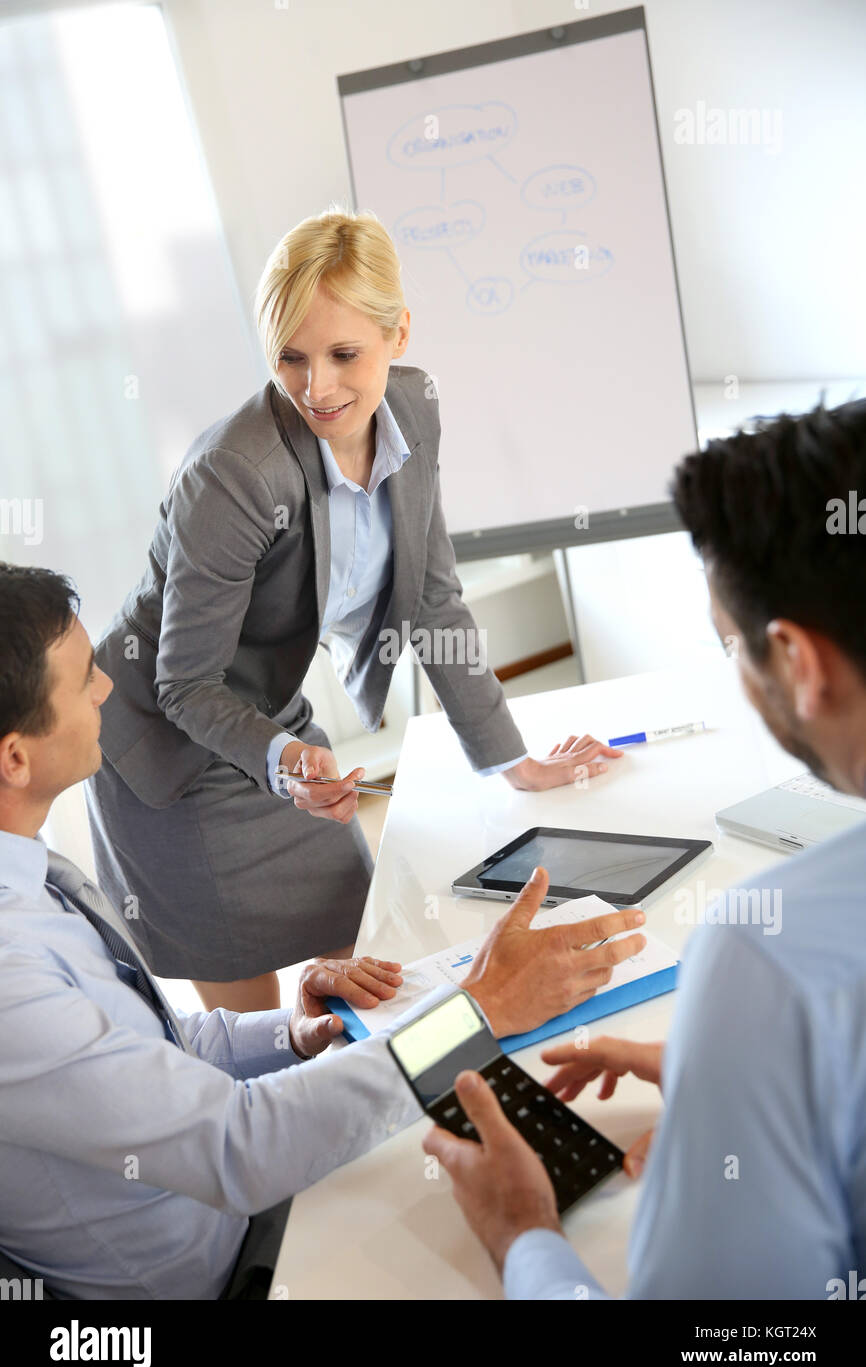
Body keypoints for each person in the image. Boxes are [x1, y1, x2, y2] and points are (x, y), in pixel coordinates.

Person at [0, 562, 646, 1299]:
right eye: (86, 678)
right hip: (245, 1267)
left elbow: (160, 1050)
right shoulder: (10, 975)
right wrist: (479, 1012)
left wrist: (292, 1032)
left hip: (256, 1204)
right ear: (15, 758)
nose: (109, 689)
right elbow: (239, 1145)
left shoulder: (25, 873)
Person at [84, 207, 623, 1014]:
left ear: (398, 334)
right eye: (290, 358)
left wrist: (512, 759)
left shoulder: (415, 411)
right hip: (170, 750)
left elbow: (434, 598)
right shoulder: (235, 473)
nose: (317, 387)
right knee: (259, 1037)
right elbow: (185, 685)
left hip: (264, 712)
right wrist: (286, 759)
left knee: (363, 970)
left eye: (344, 353)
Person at [423, 397, 866, 1299]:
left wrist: (527, 1241)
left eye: (730, 650)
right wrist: (757, 1084)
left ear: (800, 662)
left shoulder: (764, 961)